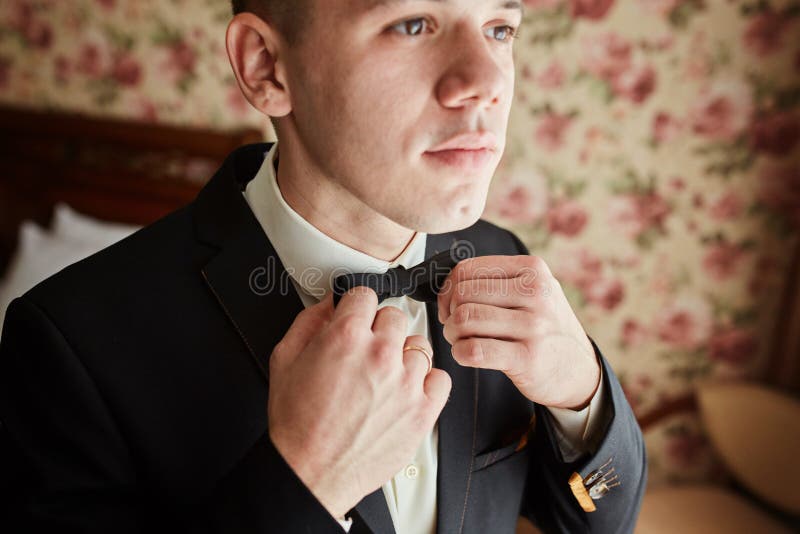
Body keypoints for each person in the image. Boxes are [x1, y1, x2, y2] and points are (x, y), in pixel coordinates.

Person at [0, 1, 646, 532]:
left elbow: (597, 521)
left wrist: (582, 396)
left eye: (500, 29)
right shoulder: (70, 341)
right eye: (412, 24)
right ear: (266, 67)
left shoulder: (502, 254)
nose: (485, 80)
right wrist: (302, 482)